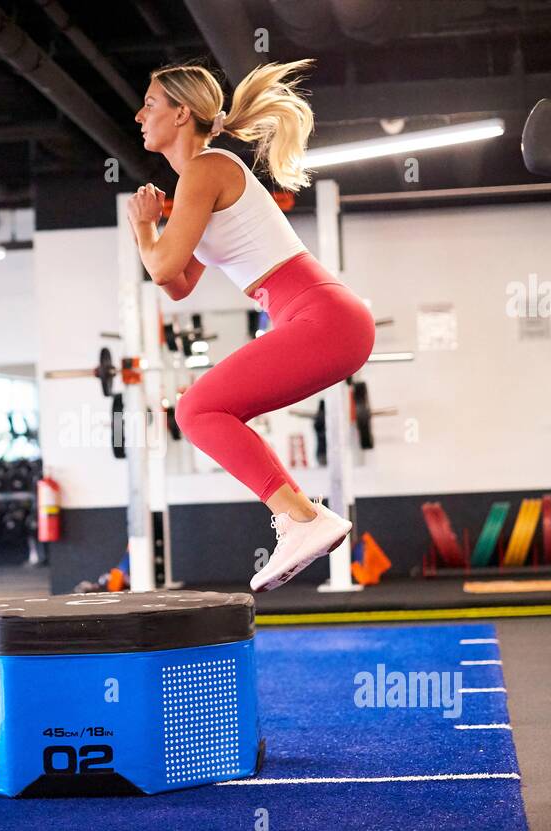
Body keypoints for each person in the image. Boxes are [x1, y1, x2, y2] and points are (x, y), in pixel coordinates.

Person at [128, 60, 375, 593]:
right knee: (207, 409)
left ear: (181, 112)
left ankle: (303, 518)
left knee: (196, 409)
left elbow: (163, 265)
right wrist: (151, 234)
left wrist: (144, 226)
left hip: (322, 315)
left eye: (149, 104)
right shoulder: (200, 179)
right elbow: (178, 284)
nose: (138, 115)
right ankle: (301, 518)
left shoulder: (207, 168)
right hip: (321, 318)